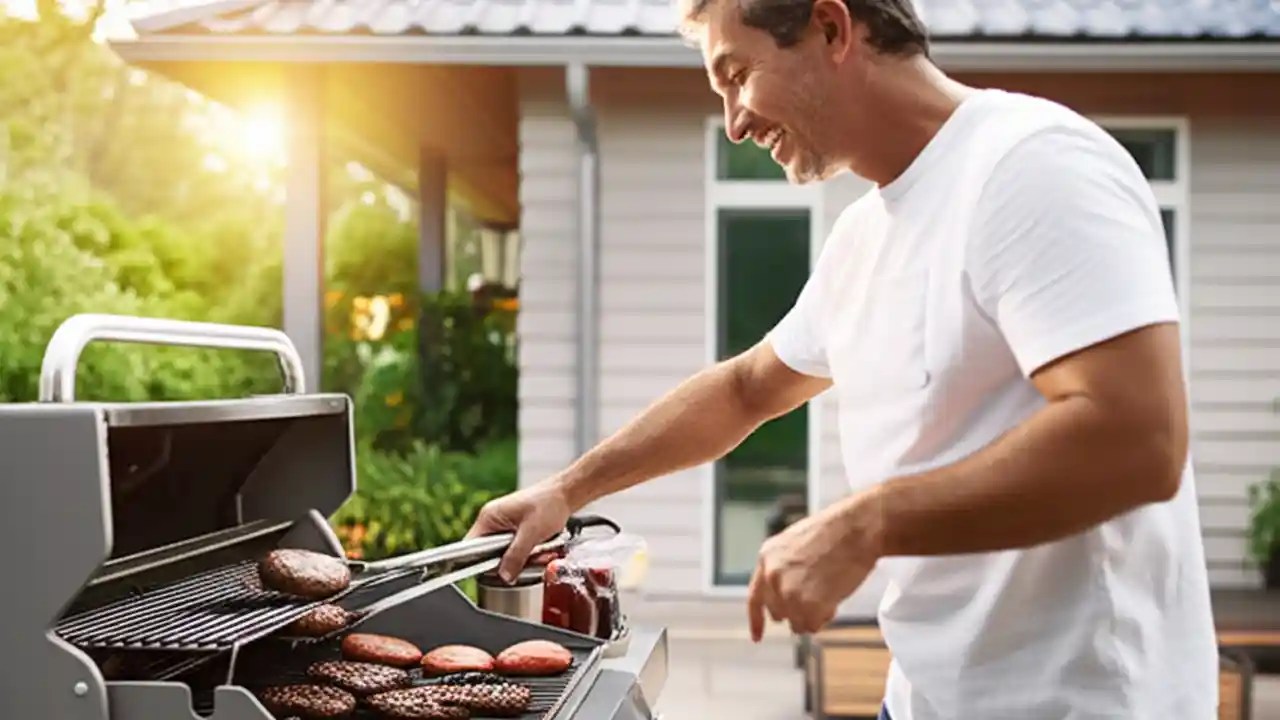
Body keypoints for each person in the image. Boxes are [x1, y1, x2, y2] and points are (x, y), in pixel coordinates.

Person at [464, 0, 1220, 715]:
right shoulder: (864, 236)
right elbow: (746, 389)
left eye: (737, 75)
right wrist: (566, 491)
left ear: (830, 27)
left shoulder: (1030, 165)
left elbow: (1137, 437)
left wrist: (867, 523)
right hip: (923, 699)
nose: (733, 124)